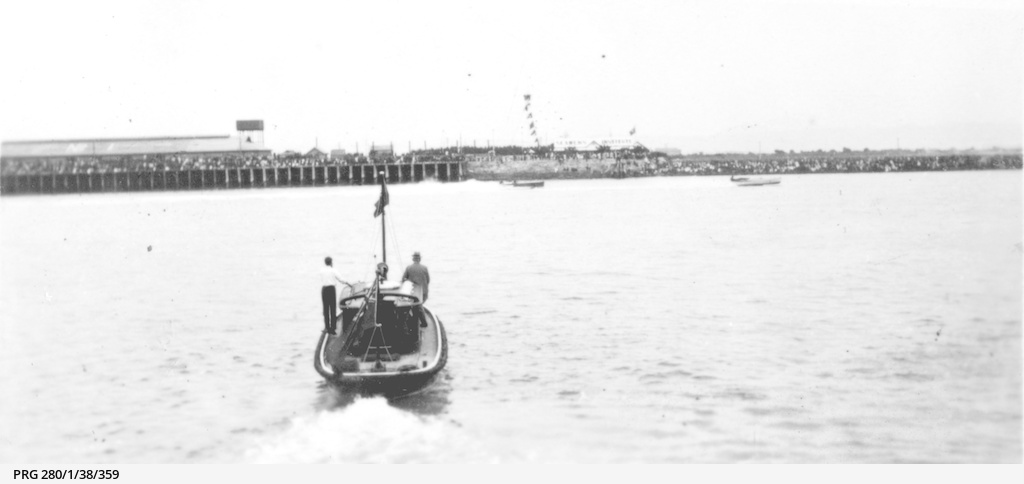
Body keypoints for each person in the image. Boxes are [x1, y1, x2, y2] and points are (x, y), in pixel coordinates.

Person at [320, 256, 351, 334]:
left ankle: (327, 327)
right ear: (331, 262)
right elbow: (341, 279)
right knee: (332, 308)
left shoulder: (322, 270)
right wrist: (347, 283)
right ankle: (333, 328)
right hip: (331, 289)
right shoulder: (333, 270)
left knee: (325, 309)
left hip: (324, 289)